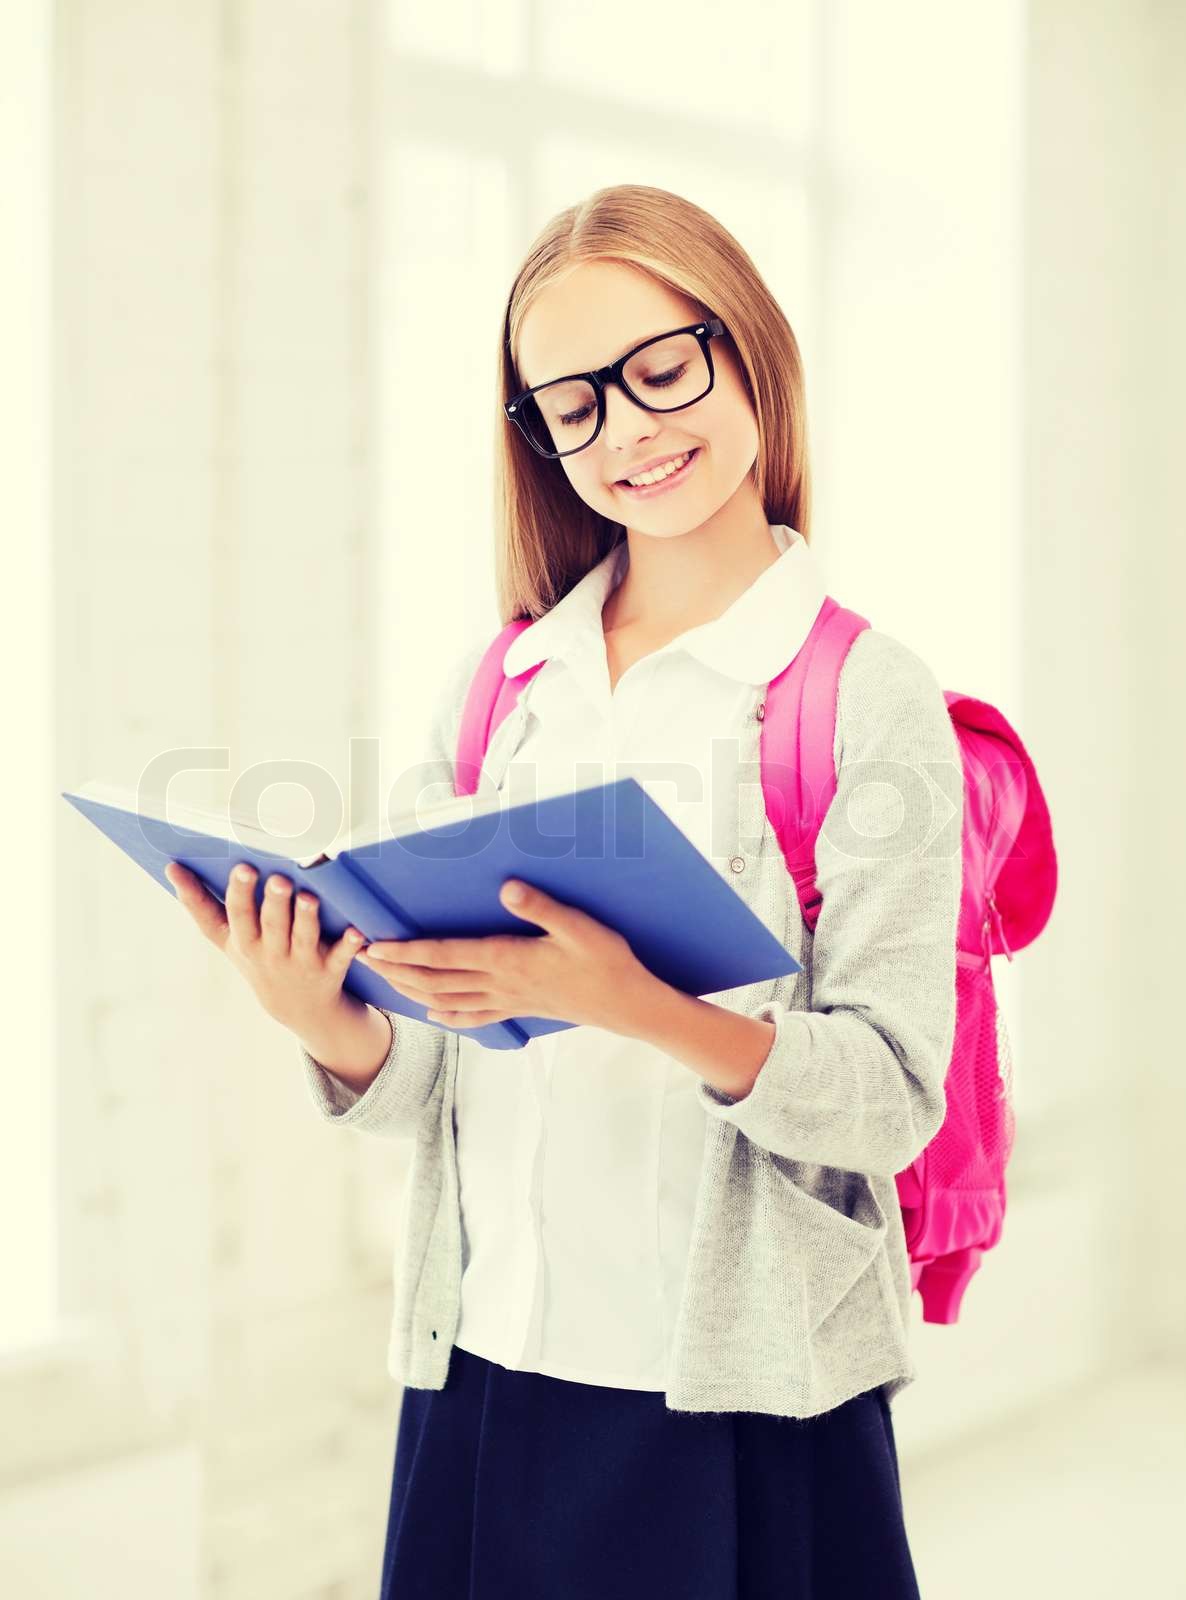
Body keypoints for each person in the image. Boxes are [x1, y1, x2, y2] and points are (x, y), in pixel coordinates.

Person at [166, 183, 962, 1598]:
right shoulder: (506, 689)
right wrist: (326, 1017)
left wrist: (635, 1005)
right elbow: (442, 1079)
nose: (628, 431)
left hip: (739, 1397)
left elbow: (892, 1098)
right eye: (571, 406)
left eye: (659, 369)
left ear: (749, 348)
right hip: (490, 1370)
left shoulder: (857, 697)